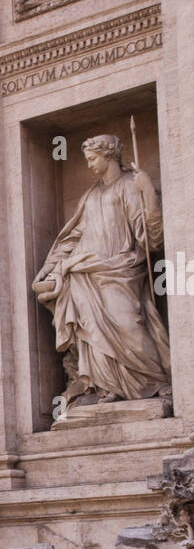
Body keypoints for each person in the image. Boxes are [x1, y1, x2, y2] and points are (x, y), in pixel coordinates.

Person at [33, 134, 171, 406]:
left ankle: (156, 380)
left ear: (109, 156)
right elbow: (73, 237)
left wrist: (149, 195)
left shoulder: (130, 186)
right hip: (85, 273)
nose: (89, 165)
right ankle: (107, 384)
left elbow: (151, 238)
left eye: (93, 158)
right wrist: (50, 267)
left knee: (129, 324)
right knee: (91, 331)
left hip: (120, 269)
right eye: (87, 160)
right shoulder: (91, 195)